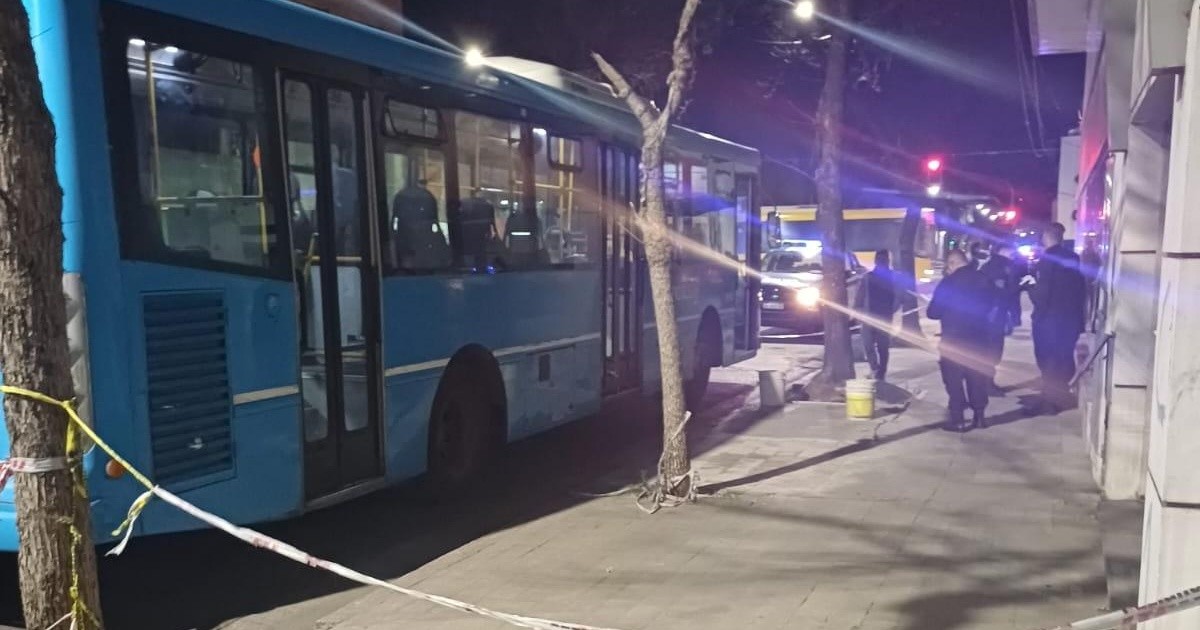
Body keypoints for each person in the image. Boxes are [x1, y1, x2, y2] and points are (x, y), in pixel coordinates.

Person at [927, 249, 994, 431]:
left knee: (953, 379)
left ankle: (957, 419)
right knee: (977, 377)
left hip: (953, 339)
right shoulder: (983, 279)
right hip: (978, 338)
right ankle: (979, 417)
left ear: (952, 263)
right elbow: (993, 305)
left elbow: (932, 312)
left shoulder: (948, 283)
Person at [1026, 222, 1087, 413]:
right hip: (1070, 319)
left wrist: (1029, 286)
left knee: (1048, 361)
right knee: (1063, 358)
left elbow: (1042, 297)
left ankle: (1050, 402)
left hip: (1049, 321)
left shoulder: (1047, 260)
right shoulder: (1073, 258)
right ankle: (1059, 396)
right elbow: (1080, 290)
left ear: (1046, 236)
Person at [854, 249, 898, 380]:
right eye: (879, 260)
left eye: (883, 260)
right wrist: (857, 311)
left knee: (883, 347)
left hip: (884, 318)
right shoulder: (868, 277)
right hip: (869, 317)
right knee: (868, 344)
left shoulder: (893, 278)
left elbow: (898, 298)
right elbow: (860, 295)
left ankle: (881, 372)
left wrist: (890, 311)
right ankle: (875, 368)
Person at [978, 243, 1015, 392]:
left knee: (992, 350)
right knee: (992, 350)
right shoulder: (998, 267)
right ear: (1002, 250)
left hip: (993, 315)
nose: (1013, 253)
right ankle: (987, 383)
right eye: (1011, 250)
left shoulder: (995, 265)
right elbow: (1001, 292)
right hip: (993, 316)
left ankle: (988, 382)